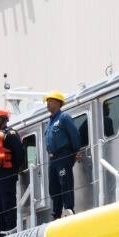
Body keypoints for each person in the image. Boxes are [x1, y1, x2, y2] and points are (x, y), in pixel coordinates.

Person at [42, 91, 83, 219]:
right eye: (47, 101)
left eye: (51, 101)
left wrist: (76, 151)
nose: (48, 103)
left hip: (63, 154)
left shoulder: (64, 117)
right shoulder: (49, 122)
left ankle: (69, 209)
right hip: (53, 158)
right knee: (53, 186)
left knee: (65, 182)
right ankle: (57, 212)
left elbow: (74, 134)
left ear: (58, 103)